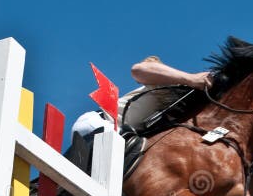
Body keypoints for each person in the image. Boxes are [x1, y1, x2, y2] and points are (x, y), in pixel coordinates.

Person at [71, 56, 212, 138]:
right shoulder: (171, 83)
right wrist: (190, 79)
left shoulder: (179, 108)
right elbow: (138, 70)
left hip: (121, 135)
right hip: (99, 123)